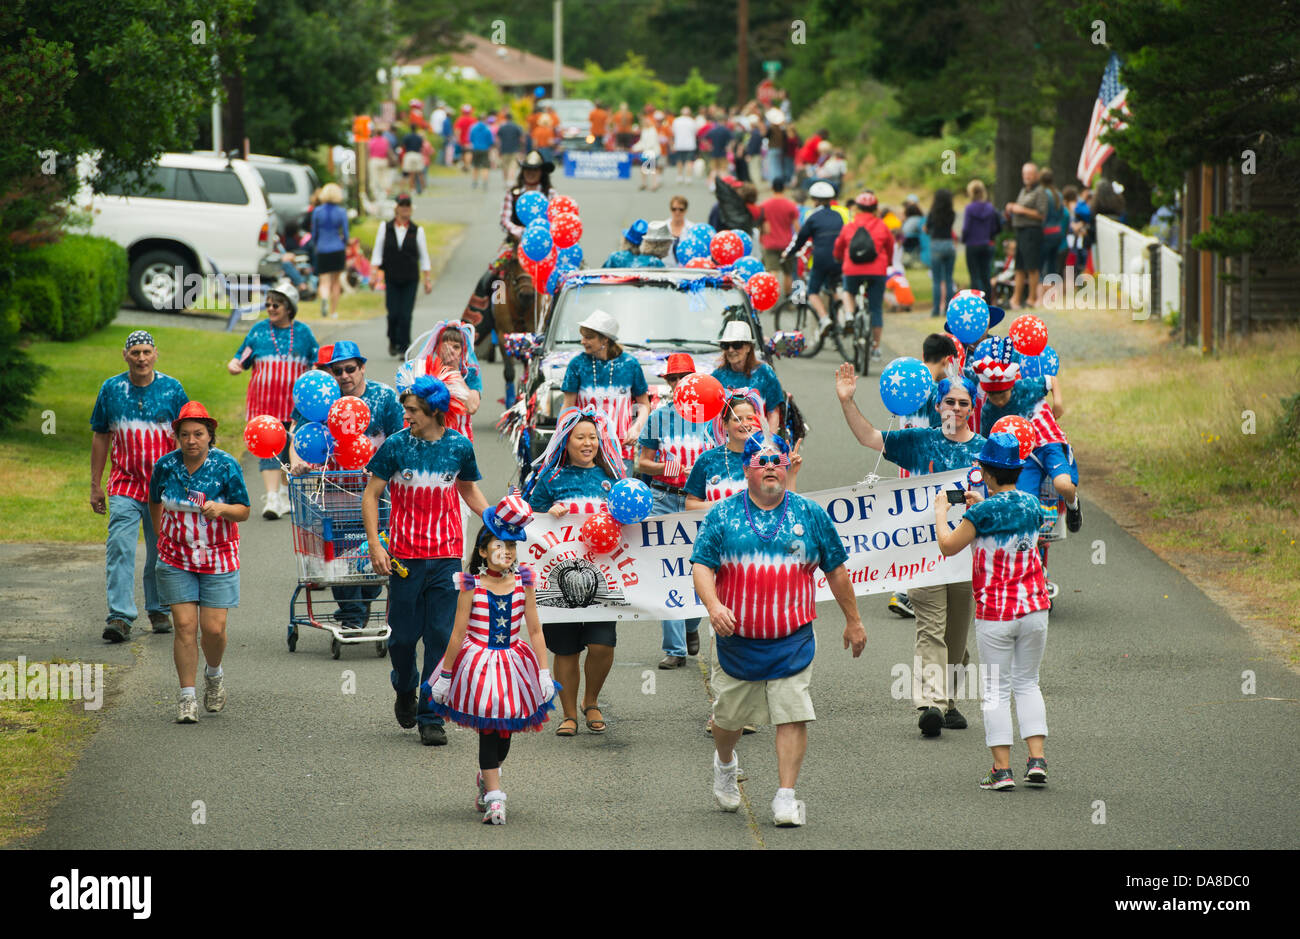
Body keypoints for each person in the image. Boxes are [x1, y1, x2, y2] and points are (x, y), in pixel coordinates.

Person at [691, 431, 866, 827]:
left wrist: (854, 621)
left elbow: (835, 570)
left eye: (777, 460)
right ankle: (724, 763)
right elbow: (702, 565)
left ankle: (786, 796)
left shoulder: (810, 514)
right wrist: (714, 605)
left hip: (793, 637)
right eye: (760, 460)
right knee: (728, 720)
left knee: (793, 714)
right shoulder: (723, 514)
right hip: (737, 640)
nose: (770, 466)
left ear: (787, 466)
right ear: (746, 470)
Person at [835, 363, 987, 736]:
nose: (955, 408)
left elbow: (1003, 495)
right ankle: (930, 705)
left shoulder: (985, 451)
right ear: (937, 406)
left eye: (962, 402)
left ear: (972, 407)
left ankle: (948, 701)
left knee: (956, 637)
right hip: (925, 555)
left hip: (967, 557)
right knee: (930, 628)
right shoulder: (919, 440)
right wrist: (847, 401)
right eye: (948, 401)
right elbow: (870, 437)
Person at [364, 375, 489, 747]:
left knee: (440, 636)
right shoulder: (396, 446)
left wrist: (498, 520)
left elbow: (468, 489)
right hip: (404, 558)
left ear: (434, 411)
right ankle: (404, 686)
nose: (407, 416)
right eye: (406, 410)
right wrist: (375, 545)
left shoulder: (459, 446)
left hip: (447, 556)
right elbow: (371, 495)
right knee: (402, 640)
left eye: (413, 411)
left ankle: (431, 715)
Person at [428, 496, 557, 824]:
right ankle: (496, 799)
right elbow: (457, 634)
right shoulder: (471, 585)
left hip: (513, 664)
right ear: (483, 551)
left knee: (505, 733)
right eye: (500, 546)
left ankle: (487, 777)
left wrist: (544, 672)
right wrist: (445, 675)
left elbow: (536, 630)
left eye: (512, 547)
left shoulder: (524, 582)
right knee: (489, 728)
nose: (508, 553)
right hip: (478, 666)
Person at [935, 432, 1051, 790]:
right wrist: (979, 506)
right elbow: (1012, 519)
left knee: (996, 690)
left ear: (985, 473)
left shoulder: (982, 513)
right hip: (1034, 608)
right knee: (1028, 683)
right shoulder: (1032, 505)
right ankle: (1036, 759)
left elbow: (948, 546)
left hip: (997, 613)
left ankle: (1002, 770)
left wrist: (942, 513)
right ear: (1016, 470)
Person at [525, 407, 627, 736]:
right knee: (565, 649)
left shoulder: (612, 480)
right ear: (565, 443)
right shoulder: (551, 478)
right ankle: (568, 714)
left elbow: (633, 518)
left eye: (593, 438)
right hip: (558, 577)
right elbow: (530, 518)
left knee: (602, 645)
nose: (588, 443)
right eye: (580, 437)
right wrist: (547, 512)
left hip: (604, 576)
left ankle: (591, 701)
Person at [289, 340, 403, 630]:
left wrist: (383, 467)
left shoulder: (383, 397)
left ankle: (364, 599)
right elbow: (299, 438)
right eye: (337, 371)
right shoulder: (321, 398)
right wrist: (297, 462)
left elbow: (399, 439)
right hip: (334, 489)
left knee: (372, 556)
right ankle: (351, 615)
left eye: (350, 369)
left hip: (377, 491)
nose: (344, 376)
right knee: (339, 556)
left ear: (362, 368)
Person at [148, 402, 251, 723]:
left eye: (199, 434)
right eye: (185, 434)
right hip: (176, 556)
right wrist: (160, 536)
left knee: (213, 629)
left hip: (218, 555)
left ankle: (214, 674)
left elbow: (244, 511)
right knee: (185, 626)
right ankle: (187, 697)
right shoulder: (165, 466)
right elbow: (154, 501)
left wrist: (221, 508)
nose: (191, 440)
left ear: (210, 436)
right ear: (176, 436)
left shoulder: (226, 466)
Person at [91, 330, 190, 643]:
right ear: (125, 356)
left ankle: (158, 608)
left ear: (155, 354)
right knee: (120, 546)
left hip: (162, 489)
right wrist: (95, 484)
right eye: (136, 353)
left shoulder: (172, 389)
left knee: (161, 550)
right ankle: (120, 616)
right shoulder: (111, 389)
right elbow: (101, 435)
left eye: (147, 352)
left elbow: (187, 435)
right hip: (125, 483)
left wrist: (188, 480)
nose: (142, 358)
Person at [635, 354, 717, 668]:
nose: (679, 382)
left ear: (695, 379)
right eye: (673, 378)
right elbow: (642, 463)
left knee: (700, 566)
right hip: (664, 497)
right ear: (668, 383)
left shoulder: (711, 417)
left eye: (684, 376)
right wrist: (664, 466)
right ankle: (675, 648)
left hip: (698, 501)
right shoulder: (658, 416)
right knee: (667, 568)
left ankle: (692, 623)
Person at [226, 283, 318, 520]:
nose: (270, 308)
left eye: (275, 304)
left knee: (291, 450)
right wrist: (234, 365)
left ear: (289, 307)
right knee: (269, 449)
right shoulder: (258, 331)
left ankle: (287, 494)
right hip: (264, 403)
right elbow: (241, 358)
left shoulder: (304, 333)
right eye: (267, 304)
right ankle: (271, 496)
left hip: (294, 405)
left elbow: (316, 361)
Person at [972, 346, 1082, 533]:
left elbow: (1051, 380)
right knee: (1025, 501)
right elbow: (987, 440)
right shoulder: (989, 411)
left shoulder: (1024, 388)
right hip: (1024, 454)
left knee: (1062, 484)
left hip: (1048, 442)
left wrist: (1058, 403)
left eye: (1002, 395)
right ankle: (1034, 544)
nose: (998, 401)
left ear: (1011, 387)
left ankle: (1073, 505)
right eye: (993, 396)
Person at [561, 309, 650, 465]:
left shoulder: (630, 364)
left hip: (620, 450)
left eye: (588, 337)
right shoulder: (577, 365)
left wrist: (636, 428)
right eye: (582, 337)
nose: (583, 341)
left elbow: (644, 404)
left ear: (605, 340)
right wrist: (560, 441)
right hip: (585, 452)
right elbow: (567, 407)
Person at [834, 190, 896, 364]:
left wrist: (838, 258)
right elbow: (890, 247)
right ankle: (875, 347)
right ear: (875, 209)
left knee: (848, 291)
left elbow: (839, 247)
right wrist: (888, 263)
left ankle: (849, 315)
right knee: (876, 308)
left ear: (858, 209)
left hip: (852, 270)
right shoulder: (882, 225)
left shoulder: (850, 225)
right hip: (877, 271)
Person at [370, 193, 433, 358]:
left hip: (410, 278)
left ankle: (404, 346)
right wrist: (374, 274)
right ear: (396, 208)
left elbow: (424, 256)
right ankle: (392, 338)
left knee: (406, 314)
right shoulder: (386, 228)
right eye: (402, 205)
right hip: (392, 276)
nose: (405, 209)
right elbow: (377, 252)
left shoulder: (417, 230)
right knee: (393, 313)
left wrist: (427, 279)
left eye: (408, 206)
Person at [781, 180, 843, 340]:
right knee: (834, 288)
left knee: (812, 291)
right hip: (839, 259)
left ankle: (824, 319)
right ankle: (843, 314)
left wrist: (787, 254)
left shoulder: (813, 216)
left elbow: (800, 239)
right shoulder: (838, 216)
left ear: (815, 200)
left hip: (821, 258)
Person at [712, 320, 784, 434]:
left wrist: (770, 443)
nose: (731, 350)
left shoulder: (765, 373)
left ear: (748, 348)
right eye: (726, 345)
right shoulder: (717, 376)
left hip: (757, 441)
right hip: (726, 442)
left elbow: (773, 411)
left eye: (737, 345)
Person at [1005, 162, 1048, 310]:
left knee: (1031, 266)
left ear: (1036, 175)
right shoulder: (1024, 190)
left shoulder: (1040, 191)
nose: (1027, 177)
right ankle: (1016, 299)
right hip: (1021, 231)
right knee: (1020, 266)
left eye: (1029, 174)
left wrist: (1021, 210)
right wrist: (1012, 208)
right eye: (1025, 174)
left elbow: (1041, 214)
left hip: (1032, 231)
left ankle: (1031, 298)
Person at [311, 183, 349, 319]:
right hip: (337, 248)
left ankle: (324, 298)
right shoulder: (341, 212)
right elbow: (345, 233)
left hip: (322, 248)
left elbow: (314, 233)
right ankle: (333, 311)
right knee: (336, 282)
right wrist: (343, 244)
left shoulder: (317, 212)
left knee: (324, 281)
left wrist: (316, 245)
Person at [759, 179, 800, 297]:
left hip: (770, 243)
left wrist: (762, 239)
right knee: (788, 273)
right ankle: (788, 297)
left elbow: (764, 227)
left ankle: (771, 297)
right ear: (784, 189)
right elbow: (797, 228)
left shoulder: (764, 206)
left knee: (773, 272)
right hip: (787, 244)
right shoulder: (791, 205)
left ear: (772, 188)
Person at [962, 180, 1001, 297]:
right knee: (986, 275)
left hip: (972, 244)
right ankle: (988, 302)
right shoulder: (990, 208)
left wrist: (964, 239)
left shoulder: (969, 208)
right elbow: (995, 227)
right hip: (986, 243)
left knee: (974, 276)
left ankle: (976, 302)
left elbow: (966, 228)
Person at [1036, 169, 1069, 303]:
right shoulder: (1058, 195)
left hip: (1046, 233)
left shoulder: (1043, 194)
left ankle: (1041, 297)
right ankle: (1053, 296)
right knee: (1052, 265)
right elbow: (1062, 213)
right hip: (1057, 233)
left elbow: (1042, 214)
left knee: (1041, 265)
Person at [660, 195, 694, 265]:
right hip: (666, 269)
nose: (677, 212)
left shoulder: (692, 228)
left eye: (681, 209)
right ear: (670, 209)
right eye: (674, 209)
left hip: (686, 270)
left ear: (686, 210)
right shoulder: (662, 227)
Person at [631, 116, 662, 191]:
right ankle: (645, 183)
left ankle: (654, 184)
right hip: (646, 152)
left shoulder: (653, 131)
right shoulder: (644, 131)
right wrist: (635, 147)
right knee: (645, 168)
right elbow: (642, 141)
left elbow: (651, 143)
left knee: (652, 168)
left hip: (652, 151)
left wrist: (641, 148)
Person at [468, 111, 495, 190]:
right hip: (485, 149)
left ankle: (475, 182)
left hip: (475, 148)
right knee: (485, 167)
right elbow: (490, 141)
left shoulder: (473, 128)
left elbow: (471, 139)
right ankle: (485, 182)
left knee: (475, 166)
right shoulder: (487, 129)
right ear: (485, 119)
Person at [671, 107, 698, 184]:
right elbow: (695, 132)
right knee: (689, 161)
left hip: (679, 144)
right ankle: (688, 177)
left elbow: (673, 132)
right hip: (690, 144)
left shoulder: (676, 121)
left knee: (679, 161)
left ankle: (680, 176)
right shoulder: (692, 121)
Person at [496, 112, 524, 184]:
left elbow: (498, 139)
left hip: (504, 149)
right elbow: (521, 138)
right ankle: (511, 180)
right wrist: (521, 148)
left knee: (505, 165)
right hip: (514, 149)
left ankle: (505, 180)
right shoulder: (516, 127)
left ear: (506, 118)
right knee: (513, 165)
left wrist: (498, 149)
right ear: (512, 118)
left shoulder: (502, 127)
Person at [367, 128, 392, 202]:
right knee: (384, 178)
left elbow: (369, 150)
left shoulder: (372, 141)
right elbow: (387, 150)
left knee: (374, 177)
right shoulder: (385, 141)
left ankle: (375, 195)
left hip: (374, 160)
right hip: (384, 160)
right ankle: (385, 193)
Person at [400, 125, 427, 193]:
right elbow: (421, 146)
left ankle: (412, 189)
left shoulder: (407, 137)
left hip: (409, 154)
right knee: (420, 173)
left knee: (410, 173)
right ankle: (424, 188)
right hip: (417, 154)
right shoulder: (419, 137)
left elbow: (403, 146)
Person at [453, 104, 475, 173]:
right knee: (469, 152)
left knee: (464, 153)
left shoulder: (460, 120)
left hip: (462, 140)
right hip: (470, 140)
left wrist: (457, 139)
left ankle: (465, 165)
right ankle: (467, 165)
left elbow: (457, 130)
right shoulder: (473, 120)